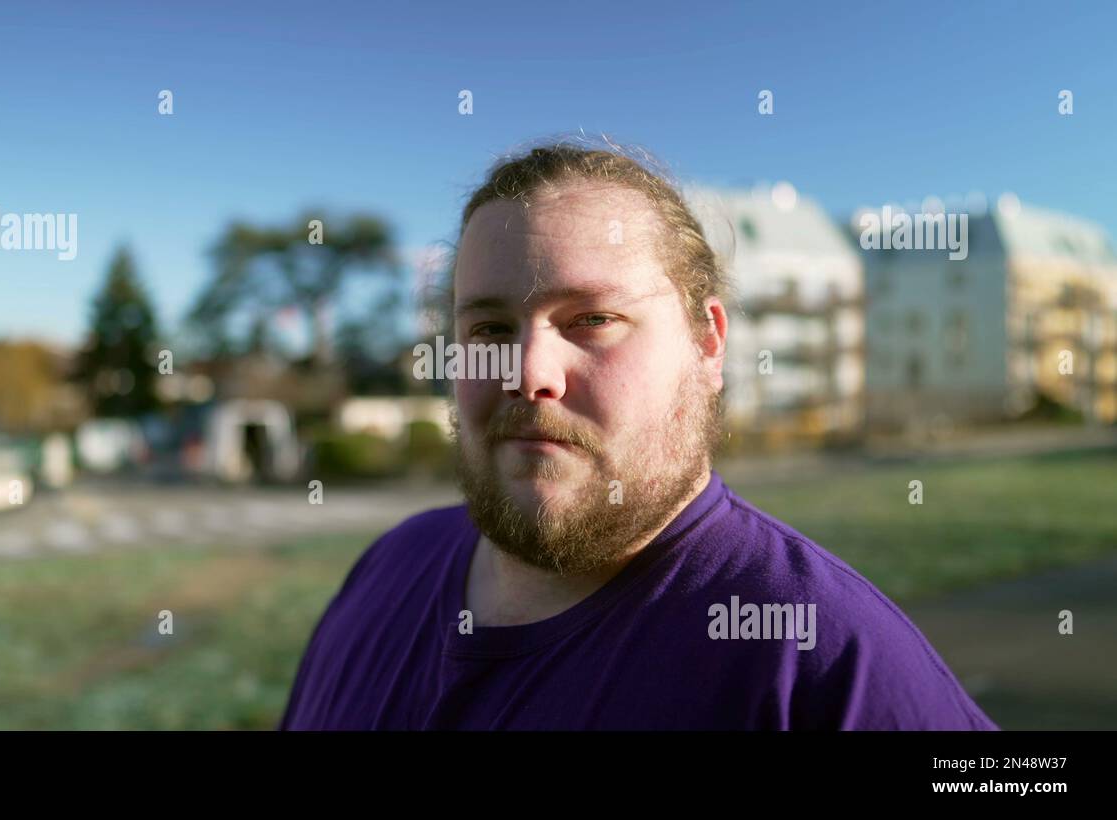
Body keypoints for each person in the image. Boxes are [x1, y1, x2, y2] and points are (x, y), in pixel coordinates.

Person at [280, 139, 997, 730]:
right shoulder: (385, 569)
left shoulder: (823, 659)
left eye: (591, 319)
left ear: (707, 345)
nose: (530, 373)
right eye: (490, 329)